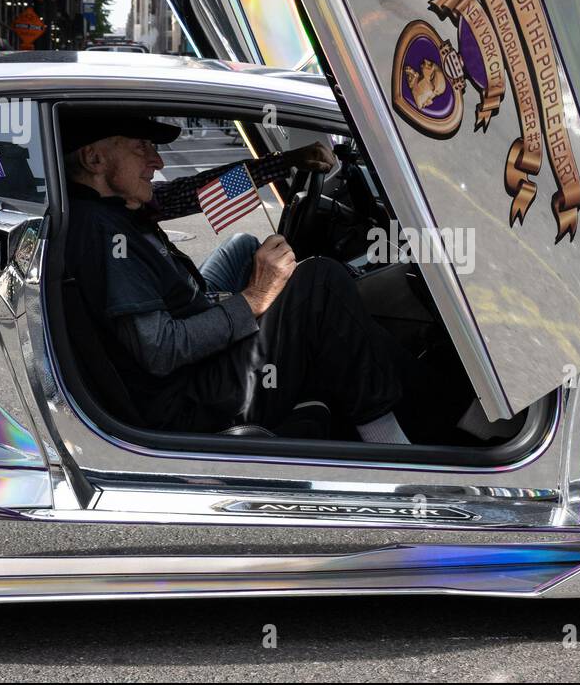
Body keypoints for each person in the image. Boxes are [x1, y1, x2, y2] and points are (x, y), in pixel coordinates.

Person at [63, 112, 416, 443]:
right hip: (190, 397)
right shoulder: (106, 234)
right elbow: (161, 351)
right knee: (320, 282)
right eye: (141, 147)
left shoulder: (115, 206)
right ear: (94, 159)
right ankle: (393, 443)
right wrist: (254, 298)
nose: (157, 161)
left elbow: (199, 193)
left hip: (190, 314)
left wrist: (284, 162)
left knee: (244, 246)